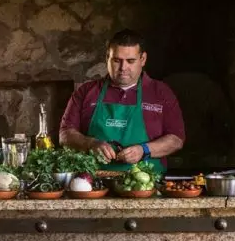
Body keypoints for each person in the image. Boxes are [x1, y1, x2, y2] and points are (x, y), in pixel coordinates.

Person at [58, 29, 185, 171]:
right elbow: (65, 134)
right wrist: (91, 144)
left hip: (148, 186)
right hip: (92, 184)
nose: (123, 68)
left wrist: (143, 150)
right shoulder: (86, 91)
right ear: (107, 58)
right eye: (117, 60)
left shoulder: (161, 92)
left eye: (130, 61)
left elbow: (176, 139)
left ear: (143, 59)